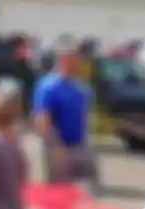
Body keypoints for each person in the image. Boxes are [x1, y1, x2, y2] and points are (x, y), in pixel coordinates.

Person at [33, 49, 99, 192]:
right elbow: (43, 118)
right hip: (59, 145)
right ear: (64, 62)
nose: (79, 65)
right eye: (75, 61)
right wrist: (56, 146)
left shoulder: (80, 87)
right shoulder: (50, 86)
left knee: (89, 186)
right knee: (59, 188)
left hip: (80, 145)